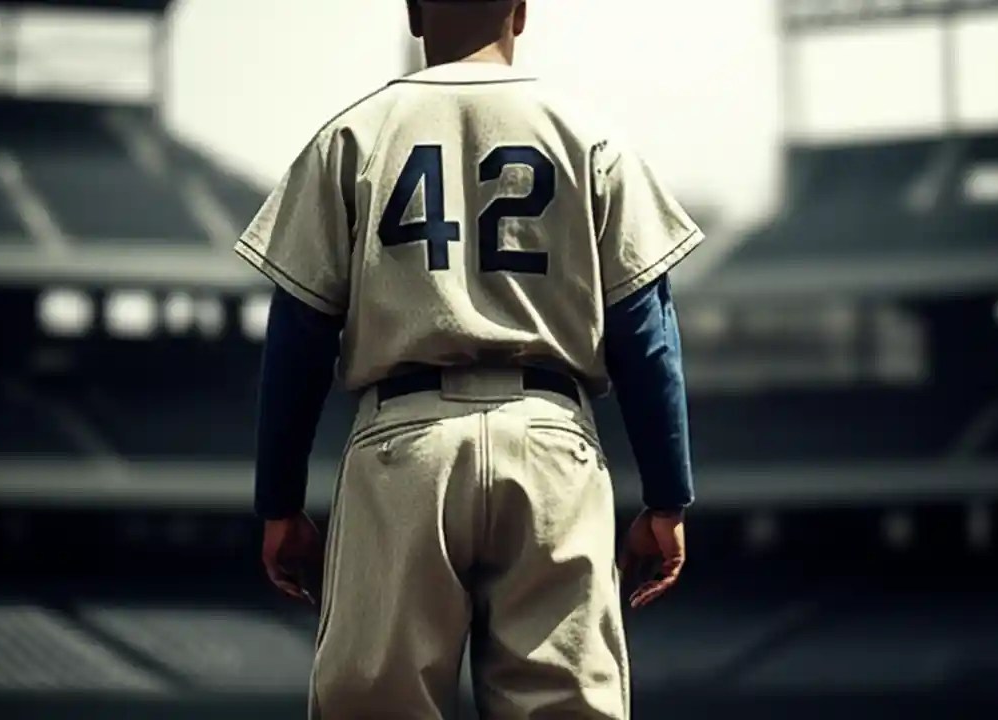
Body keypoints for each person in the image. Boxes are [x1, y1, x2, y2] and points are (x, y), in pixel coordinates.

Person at [237, 1, 702, 717]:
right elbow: (646, 333)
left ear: (415, 15)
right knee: (564, 706)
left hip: (404, 447)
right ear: (521, 12)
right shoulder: (590, 135)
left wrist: (280, 504)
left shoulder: (353, 135)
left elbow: (297, 337)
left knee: (377, 705)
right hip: (552, 442)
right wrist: (667, 498)